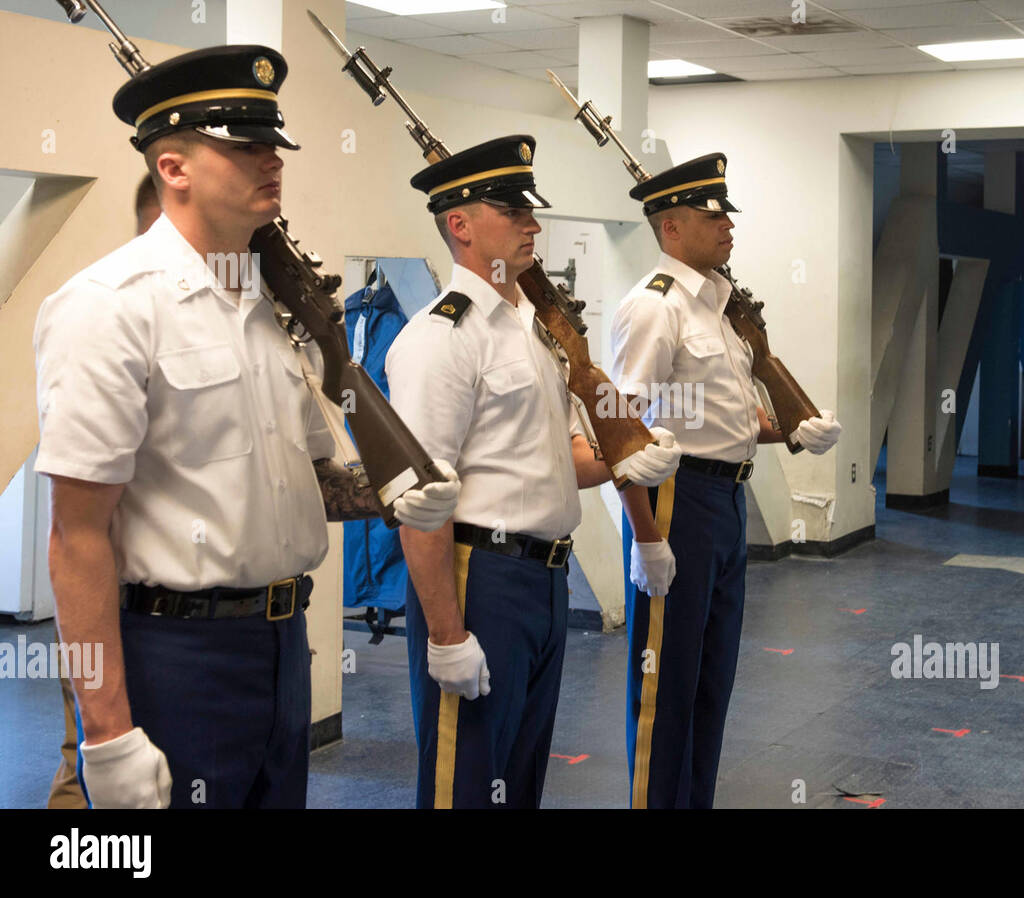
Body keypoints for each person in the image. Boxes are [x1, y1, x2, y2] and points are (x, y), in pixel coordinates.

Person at [33, 45, 459, 810]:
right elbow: (76, 536)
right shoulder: (109, 307)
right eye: (243, 146)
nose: (272, 159)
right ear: (173, 168)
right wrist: (106, 732)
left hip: (283, 646)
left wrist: (390, 494)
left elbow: (307, 480)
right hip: (176, 655)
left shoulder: (271, 311)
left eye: (274, 143)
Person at [386, 135, 681, 809]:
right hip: (479, 578)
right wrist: (446, 634)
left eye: (530, 211)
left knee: (518, 782)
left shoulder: (534, 331)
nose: (533, 225)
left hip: (544, 581)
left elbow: (558, 462)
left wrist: (629, 455)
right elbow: (419, 503)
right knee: (466, 782)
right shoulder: (440, 338)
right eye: (512, 211)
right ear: (460, 225)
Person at [610, 154, 842, 808]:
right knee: (665, 688)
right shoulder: (655, 307)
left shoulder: (720, 306)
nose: (729, 226)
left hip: (725, 499)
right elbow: (621, 431)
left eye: (728, 216)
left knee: (710, 685)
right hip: (676, 500)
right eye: (713, 216)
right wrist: (646, 537)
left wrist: (794, 429)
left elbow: (717, 416)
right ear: (671, 228)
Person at [46, 174, 163, 811]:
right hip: (117, 604)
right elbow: (74, 530)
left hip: (198, 627)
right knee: (89, 768)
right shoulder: (105, 310)